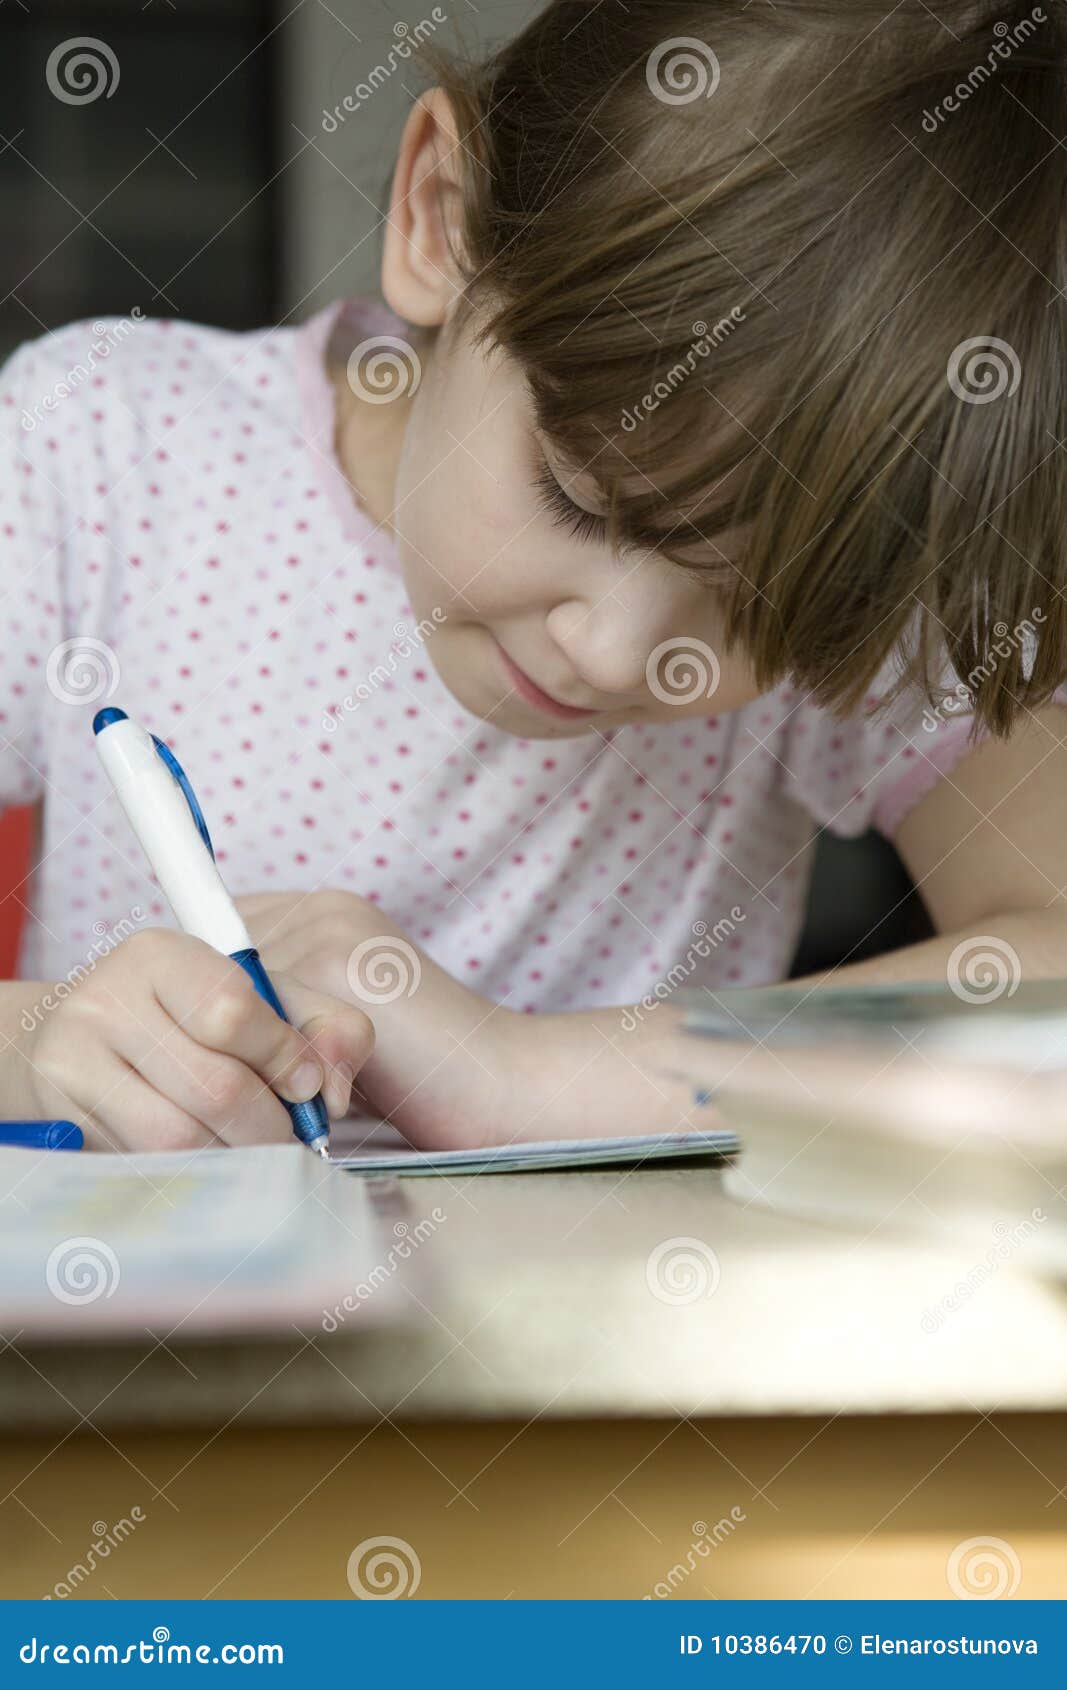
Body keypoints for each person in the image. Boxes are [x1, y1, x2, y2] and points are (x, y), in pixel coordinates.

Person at [2, 0, 1065, 1150]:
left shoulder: (851, 559)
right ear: (438, 221)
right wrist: (41, 1039)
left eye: (758, 606)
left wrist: (527, 1075)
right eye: (580, 495)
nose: (616, 651)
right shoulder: (97, 451)